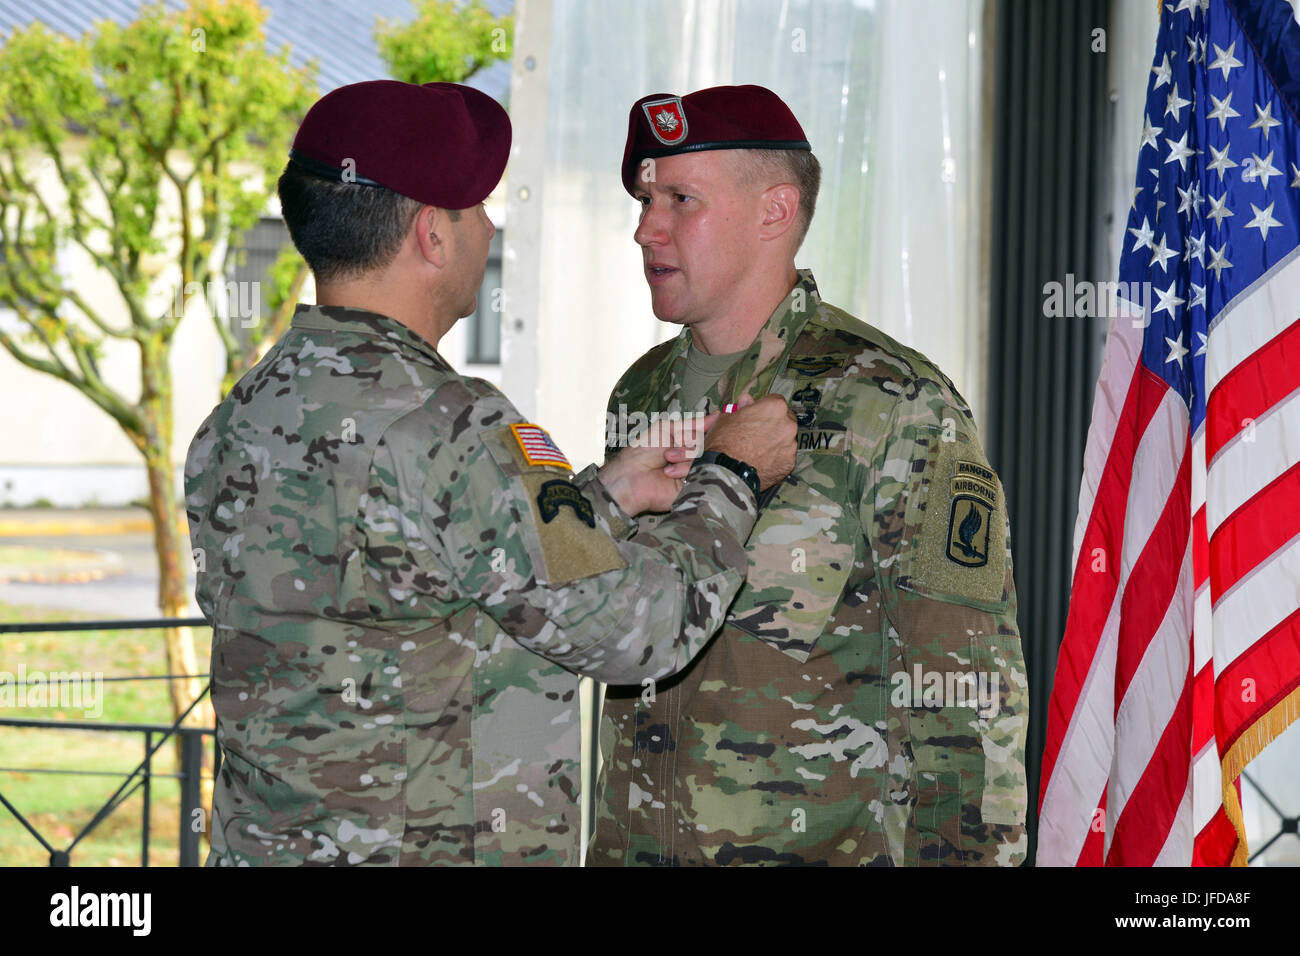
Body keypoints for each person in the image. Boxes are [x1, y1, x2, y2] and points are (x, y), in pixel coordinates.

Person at [183, 80, 797, 866]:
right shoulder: (454, 424)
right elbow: (638, 632)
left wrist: (600, 499)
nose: (490, 228)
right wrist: (733, 476)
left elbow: (425, 573)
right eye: (476, 210)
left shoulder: (243, 412)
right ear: (433, 234)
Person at [587, 85, 1028, 866]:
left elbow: (963, 698)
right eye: (645, 199)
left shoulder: (889, 399)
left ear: (774, 212)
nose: (645, 227)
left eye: (680, 199)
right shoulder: (640, 391)